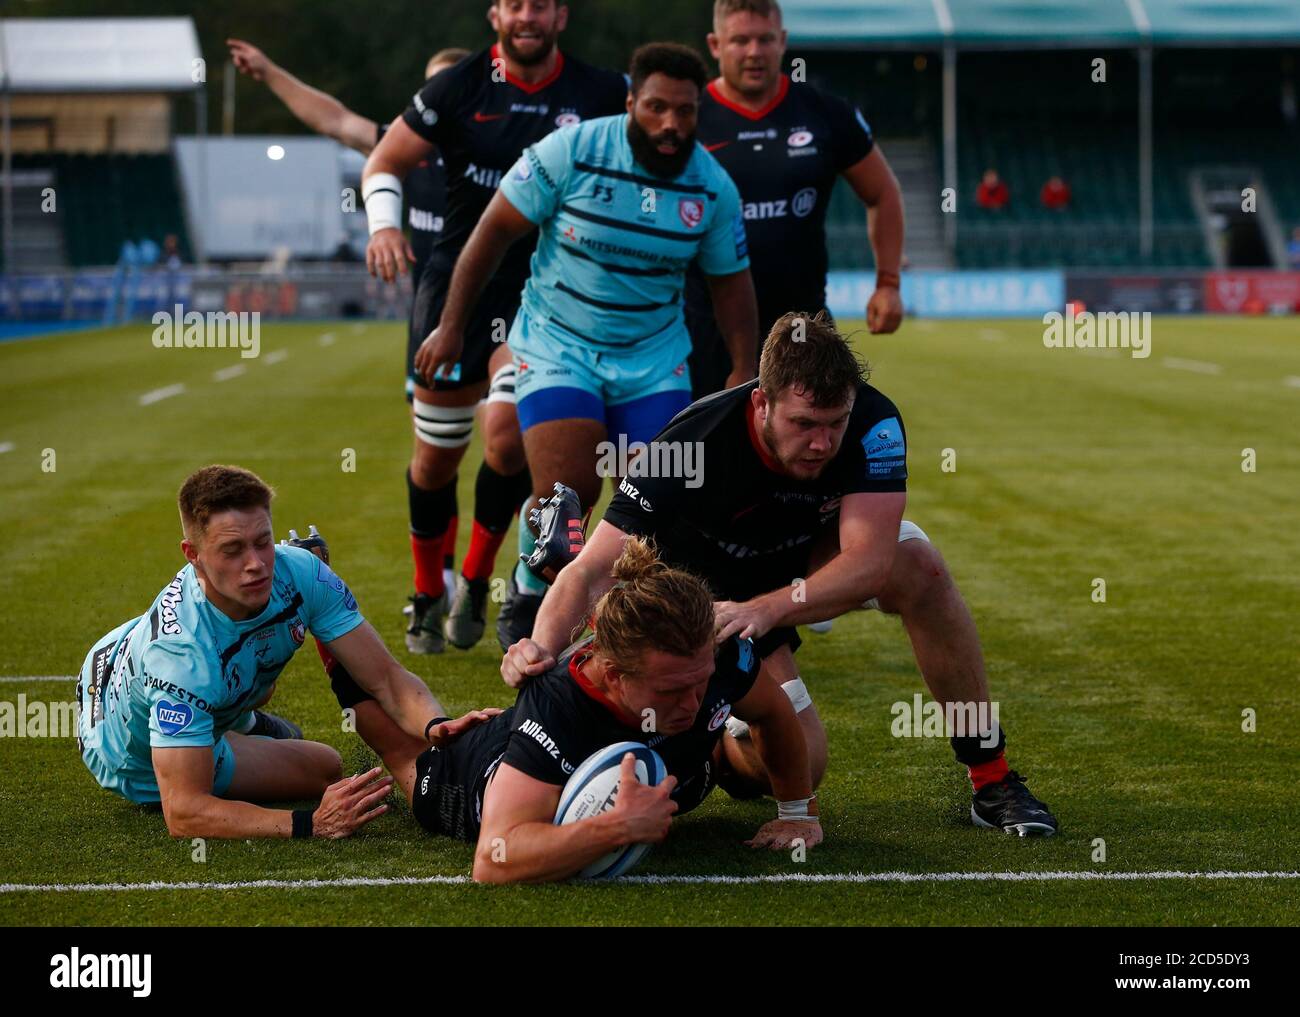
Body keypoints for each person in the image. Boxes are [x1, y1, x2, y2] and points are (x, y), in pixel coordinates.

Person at [503, 313, 1059, 836]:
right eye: (804, 424)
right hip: (700, 598)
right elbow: (592, 572)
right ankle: (712, 742)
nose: (822, 442)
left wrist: (765, 609)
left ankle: (992, 781)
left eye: (834, 422)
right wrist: (535, 657)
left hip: (783, 578)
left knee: (919, 566)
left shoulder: (873, 422)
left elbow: (868, 564)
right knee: (801, 765)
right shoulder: (693, 442)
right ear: (761, 402)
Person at [416, 42, 759, 652]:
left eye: (684, 111)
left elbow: (731, 287)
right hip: (558, 342)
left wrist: (743, 369)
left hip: (652, 358)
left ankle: (621, 628)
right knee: (567, 489)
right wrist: (450, 324)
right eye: (656, 107)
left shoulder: (713, 187)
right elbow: (490, 232)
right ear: (630, 101)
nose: (671, 124)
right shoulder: (570, 150)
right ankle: (528, 585)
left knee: (652, 503)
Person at [364, 1, 629, 654]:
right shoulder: (458, 87)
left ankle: (482, 580)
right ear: (495, 15)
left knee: (508, 440)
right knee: (436, 459)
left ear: (561, 15)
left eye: (540, 3)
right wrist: (384, 225)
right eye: (516, 4)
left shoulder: (601, 92)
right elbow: (383, 161)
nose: (527, 15)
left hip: (547, 295)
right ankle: (430, 592)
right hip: (458, 288)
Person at [354, 537, 820, 883]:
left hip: (655, 759)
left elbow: (774, 712)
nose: (694, 703)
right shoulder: (559, 705)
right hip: (460, 777)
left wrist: (798, 813)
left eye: (701, 684)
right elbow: (493, 859)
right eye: (673, 691)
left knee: (725, 760)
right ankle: (323, 617)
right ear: (613, 675)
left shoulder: (718, 651)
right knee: (406, 761)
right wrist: (615, 828)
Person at [74, 465, 451, 840]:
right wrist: (310, 824)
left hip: (159, 657)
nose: (255, 564)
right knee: (318, 768)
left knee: (319, 756)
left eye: (263, 542)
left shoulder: (300, 569)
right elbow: (185, 812)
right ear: (193, 554)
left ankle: (242, 721)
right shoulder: (180, 658)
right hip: (117, 737)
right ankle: (237, 725)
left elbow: (386, 678)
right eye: (233, 550)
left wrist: (437, 726)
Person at [229, 38, 470, 608]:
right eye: (431, 88)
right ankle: (443, 580)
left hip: (515, 314)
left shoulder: (511, 149)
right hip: (435, 319)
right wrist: (269, 71)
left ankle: (516, 583)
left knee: (517, 444)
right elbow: (334, 119)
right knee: (437, 457)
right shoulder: (407, 148)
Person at [686, 0, 905, 400]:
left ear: (782, 42)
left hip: (802, 327)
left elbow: (882, 191)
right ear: (715, 45)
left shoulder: (823, 111)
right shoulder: (686, 116)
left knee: (815, 448)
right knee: (702, 458)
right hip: (700, 332)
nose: (754, 52)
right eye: (740, 40)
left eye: (765, 39)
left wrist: (888, 283)